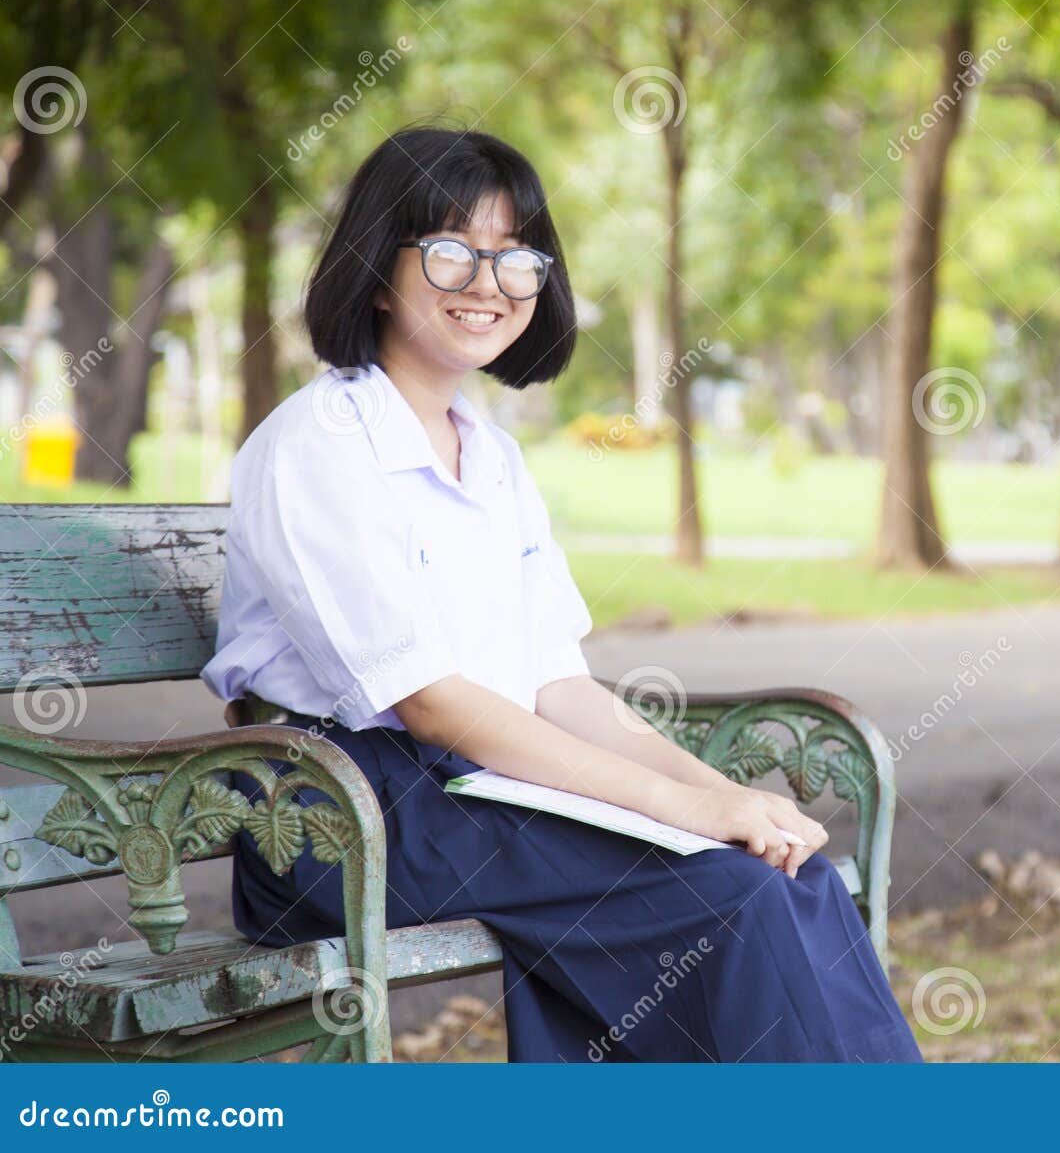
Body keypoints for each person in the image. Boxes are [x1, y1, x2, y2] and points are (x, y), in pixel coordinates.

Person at [199, 125, 923, 1063]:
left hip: (471, 786)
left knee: (788, 873)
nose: (488, 283)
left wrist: (727, 797)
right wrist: (690, 814)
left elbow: (559, 687)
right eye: (452, 250)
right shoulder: (319, 444)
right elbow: (430, 702)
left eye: (515, 257)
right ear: (378, 270)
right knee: (727, 896)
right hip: (338, 814)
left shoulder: (492, 457)